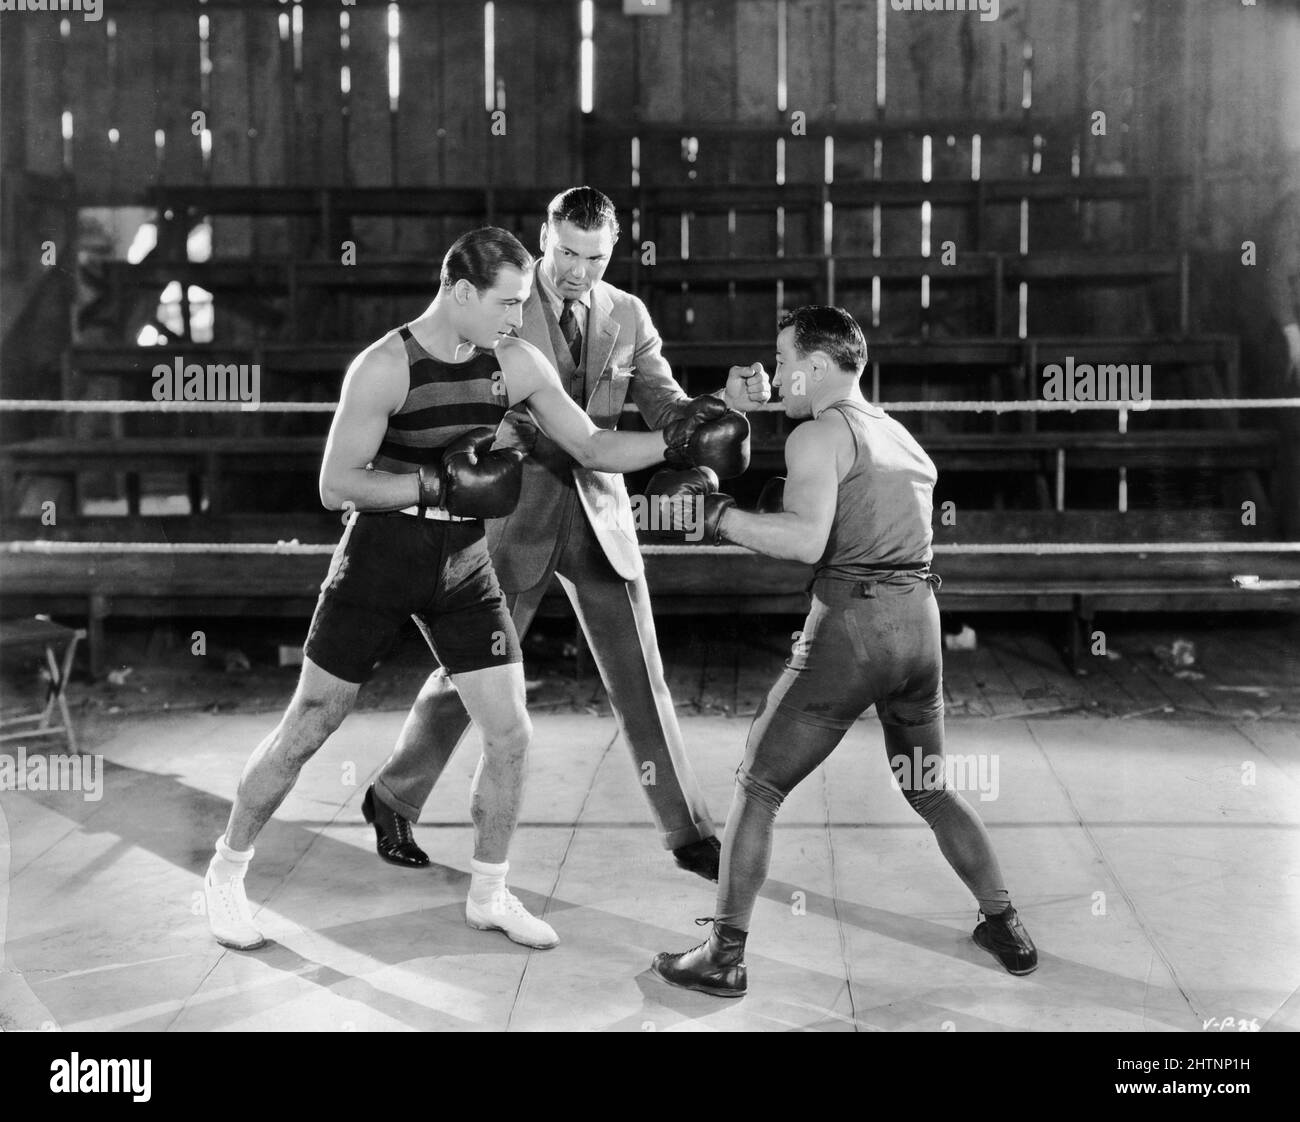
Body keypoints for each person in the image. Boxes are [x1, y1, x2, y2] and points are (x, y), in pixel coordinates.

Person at [203, 226, 749, 952]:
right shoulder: (384, 367)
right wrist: (430, 485)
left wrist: (679, 442)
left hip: (463, 564)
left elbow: (590, 446)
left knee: (511, 733)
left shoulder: (514, 362)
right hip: (382, 559)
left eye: (523, 302)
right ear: (461, 292)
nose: (517, 317)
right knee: (310, 724)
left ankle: (489, 892)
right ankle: (226, 874)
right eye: (507, 302)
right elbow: (337, 486)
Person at [364, 187, 771, 882]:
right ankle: (392, 796)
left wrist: (722, 406)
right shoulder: (503, 309)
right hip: (510, 512)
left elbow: (663, 403)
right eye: (565, 254)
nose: (578, 271)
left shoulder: (629, 315)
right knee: (471, 676)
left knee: (643, 678)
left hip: (600, 514)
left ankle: (688, 831)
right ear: (544, 239)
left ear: (612, 252)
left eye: (595, 257)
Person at [646, 306, 1037, 997]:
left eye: (785, 361)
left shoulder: (817, 435)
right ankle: (1003, 921)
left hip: (854, 628)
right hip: (919, 626)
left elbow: (805, 541)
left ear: (818, 367)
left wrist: (717, 518)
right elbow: (851, 518)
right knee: (929, 785)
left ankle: (724, 954)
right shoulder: (901, 437)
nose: (778, 374)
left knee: (759, 785)